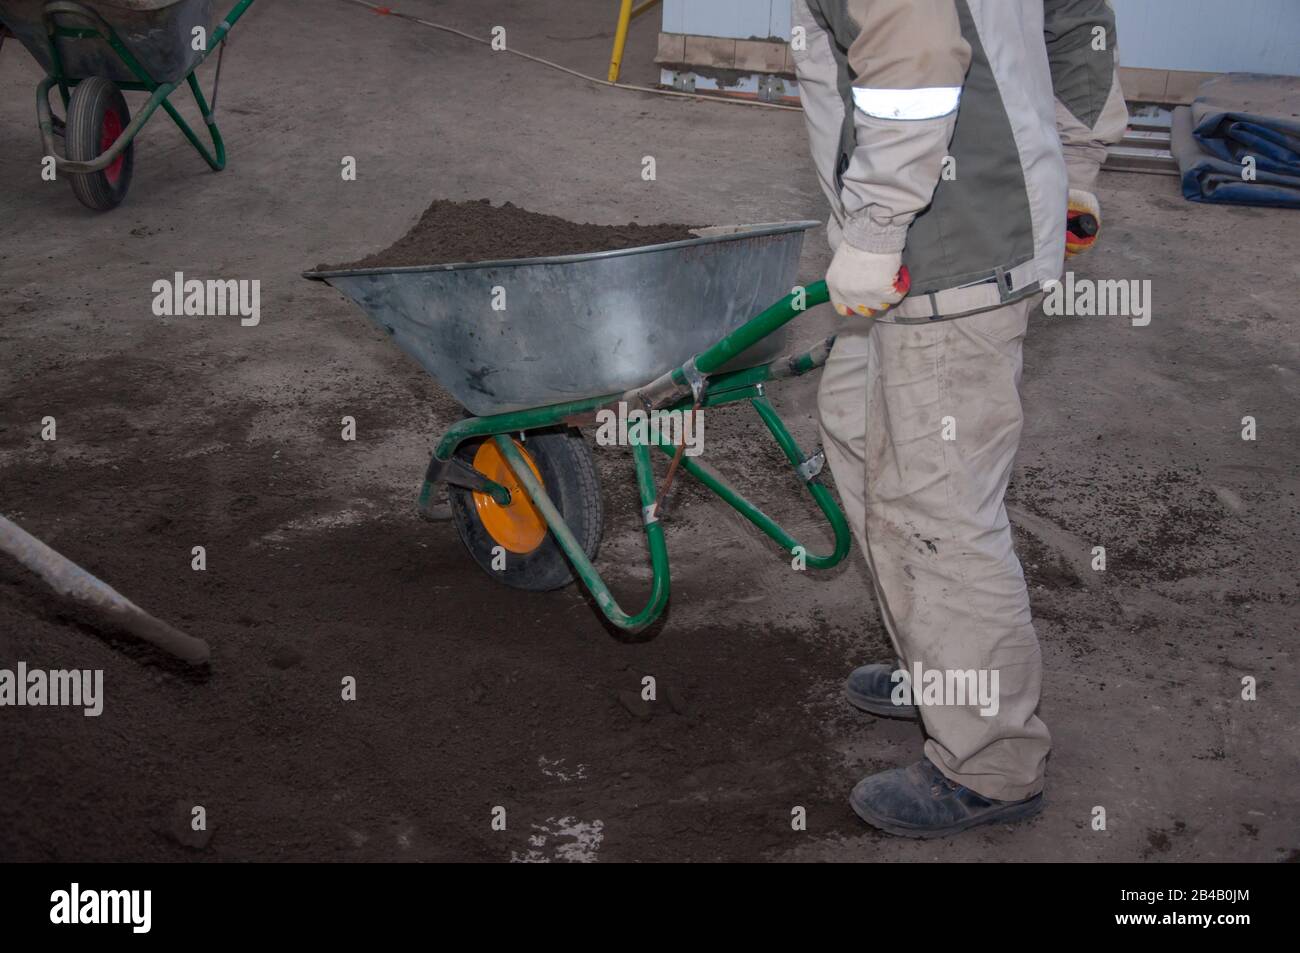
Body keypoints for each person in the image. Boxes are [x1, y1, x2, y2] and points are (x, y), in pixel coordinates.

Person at [789, 0, 1127, 837]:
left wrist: (873, 228)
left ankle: (991, 764)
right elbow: (1074, 10)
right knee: (853, 419)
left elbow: (916, 59)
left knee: (935, 503)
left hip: (949, 243)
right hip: (938, 227)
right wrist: (1071, 157)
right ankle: (945, 670)